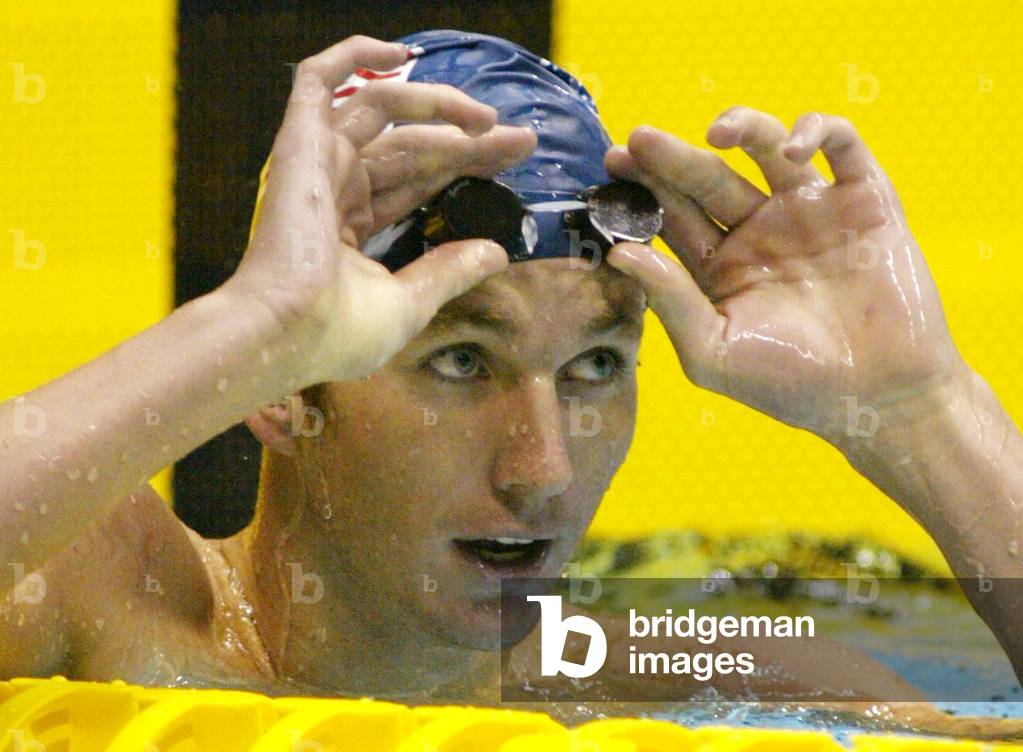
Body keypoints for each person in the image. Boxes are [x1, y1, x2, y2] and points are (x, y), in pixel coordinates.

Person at [1, 29, 1021, 739]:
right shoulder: (113, 596)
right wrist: (248, 326)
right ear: (283, 390)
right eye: (461, 360)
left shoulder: (707, 680)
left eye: (594, 366)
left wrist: (918, 410)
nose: (541, 469)